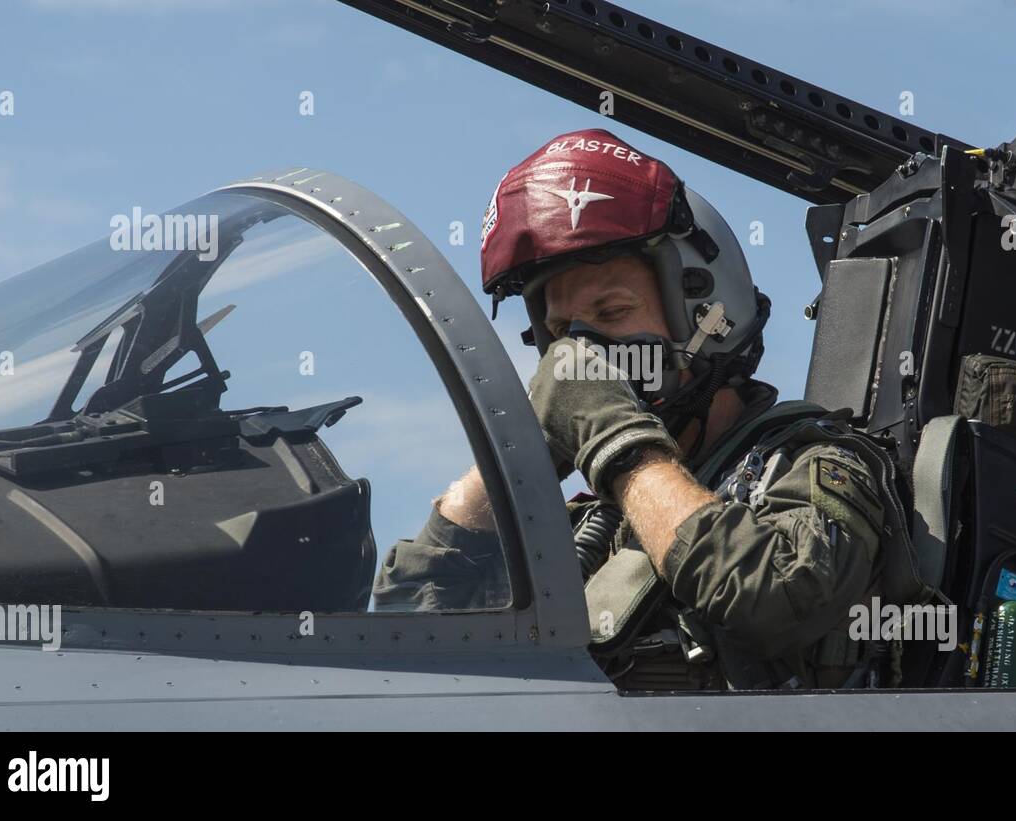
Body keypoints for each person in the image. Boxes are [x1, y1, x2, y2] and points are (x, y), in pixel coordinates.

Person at [374, 128, 889, 690]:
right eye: (561, 334)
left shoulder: (812, 466)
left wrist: (615, 442)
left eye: (612, 313)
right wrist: (516, 453)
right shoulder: (584, 528)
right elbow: (409, 627)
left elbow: (779, 597)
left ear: (707, 311)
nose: (579, 356)